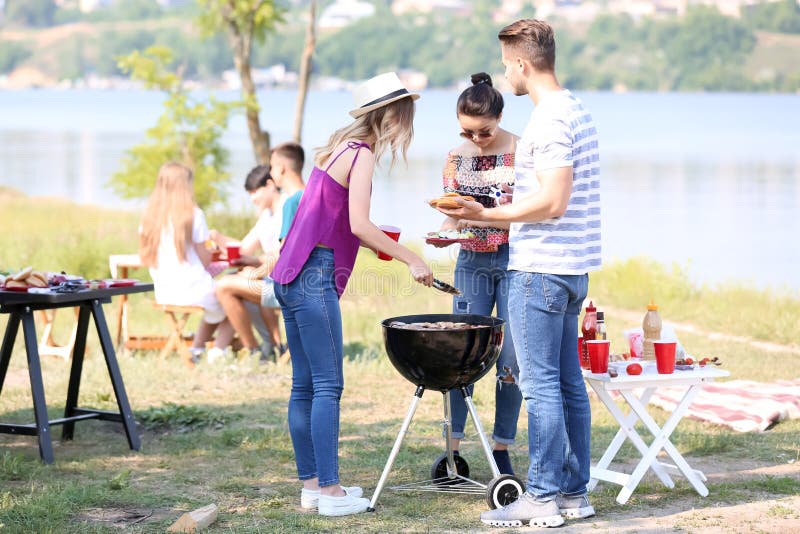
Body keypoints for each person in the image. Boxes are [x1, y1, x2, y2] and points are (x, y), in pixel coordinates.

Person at [435, 20, 601, 528]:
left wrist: (481, 215)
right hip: (572, 270)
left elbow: (552, 202)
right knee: (569, 384)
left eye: (507, 64)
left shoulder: (548, 120)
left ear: (522, 64)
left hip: (541, 271)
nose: (505, 72)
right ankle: (574, 493)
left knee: (542, 386)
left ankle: (543, 497)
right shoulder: (577, 110)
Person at [270, 72, 433, 517]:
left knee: (303, 385)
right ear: (393, 116)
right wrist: (411, 257)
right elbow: (360, 224)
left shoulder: (336, 150)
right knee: (328, 385)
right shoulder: (361, 155)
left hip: (287, 275)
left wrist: (380, 243)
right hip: (313, 276)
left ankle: (311, 487)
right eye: (406, 116)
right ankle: (331, 491)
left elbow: (335, 222)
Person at [433, 72, 521, 476]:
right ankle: (454, 451)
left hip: (514, 260)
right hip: (471, 261)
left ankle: (502, 445)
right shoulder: (456, 157)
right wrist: (445, 235)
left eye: (483, 131)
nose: (477, 139)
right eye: (468, 132)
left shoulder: (523, 152)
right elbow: (454, 215)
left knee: (511, 359)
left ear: (499, 117)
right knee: (460, 352)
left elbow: (529, 214)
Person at [139, 161, 234, 361]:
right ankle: (218, 351)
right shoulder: (194, 215)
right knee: (234, 303)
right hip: (193, 288)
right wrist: (213, 249)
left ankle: (197, 350)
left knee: (218, 304)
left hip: (165, 290)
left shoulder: (149, 218)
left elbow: (145, 255)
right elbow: (205, 259)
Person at [211, 165, 283, 361]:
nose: (252, 198)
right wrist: (217, 237)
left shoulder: (286, 210)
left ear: (270, 185)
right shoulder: (267, 216)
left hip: (284, 285)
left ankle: (256, 350)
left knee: (225, 286)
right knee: (230, 282)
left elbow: (281, 255)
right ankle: (270, 346)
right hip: (268, 281)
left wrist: (253, 270)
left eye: (255, 192)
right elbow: (244, 248)